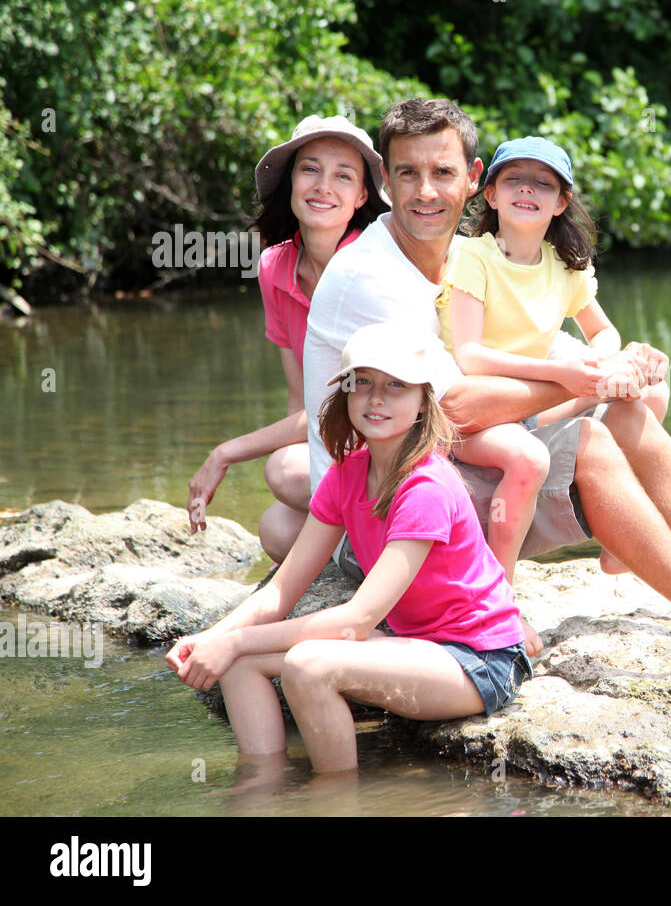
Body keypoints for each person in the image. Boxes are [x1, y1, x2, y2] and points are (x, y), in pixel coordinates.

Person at [303, 98, 671, 673]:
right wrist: (587, 381)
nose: (426, 191)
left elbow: (564, 349)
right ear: (384, 177)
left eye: (443, 172)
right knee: (590, 442)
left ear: (473, 179)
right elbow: (456, 408)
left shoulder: (469, 255)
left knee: (628, 415)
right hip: (379, 524)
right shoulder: (371, 277)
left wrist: (620, 366)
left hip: (452, 483)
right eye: (408, 172)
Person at [167, 322, 531, 773]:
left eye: (395, 386)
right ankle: (261, 793)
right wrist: (214, 640)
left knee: (309, 666)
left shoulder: (427, 488)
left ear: (423, 402)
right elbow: (281, 591)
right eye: (363, 384)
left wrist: (234, 640)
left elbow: (357, 620)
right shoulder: (347, 474)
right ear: (345, 395)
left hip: (478, 660)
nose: (376, 399)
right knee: (238, 663)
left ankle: (335, 801)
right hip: (412, 646)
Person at [438, 135, 668, 583]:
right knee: (527, 455)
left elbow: (603, 331)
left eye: (542, 183)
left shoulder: (565, 265)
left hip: (534, 407)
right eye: (514, 180)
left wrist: (606, 366)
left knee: (651, 390)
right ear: (490, 194)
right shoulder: (475, 258)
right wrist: (564, 373)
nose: (527, 189)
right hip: (473, 416)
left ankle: (620, 538)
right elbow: (469, 357)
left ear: (561, 203)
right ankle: (499, 591)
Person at [187, 115, 388, 563]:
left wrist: (226, 452)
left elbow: (337, 401)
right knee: (276, 529)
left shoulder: (371, 264)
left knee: (281, 470)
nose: (323, 186)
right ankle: (364, 547)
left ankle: (389, 543)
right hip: (341, 444)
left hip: (390, 436)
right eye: (310, 169)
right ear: (291, 181)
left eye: (343, 176)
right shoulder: (274, 268)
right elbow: (302, 403)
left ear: (361, 197)